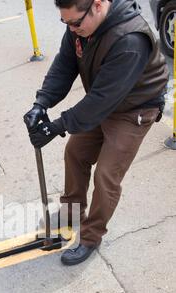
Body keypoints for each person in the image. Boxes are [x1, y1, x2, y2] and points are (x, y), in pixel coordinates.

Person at [23, 0, 168, 266]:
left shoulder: (130, 39)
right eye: (65, 23)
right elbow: (64, 65)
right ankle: (72, 211)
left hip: (135, 109)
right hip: (105, 100)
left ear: (98, 5)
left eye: (75, 23)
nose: (71, 28)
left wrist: (57, 126)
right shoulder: (79, 26)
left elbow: (102, 99)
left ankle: (90, 237)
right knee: (75, 152)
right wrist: (41, 103)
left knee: (106, 175)